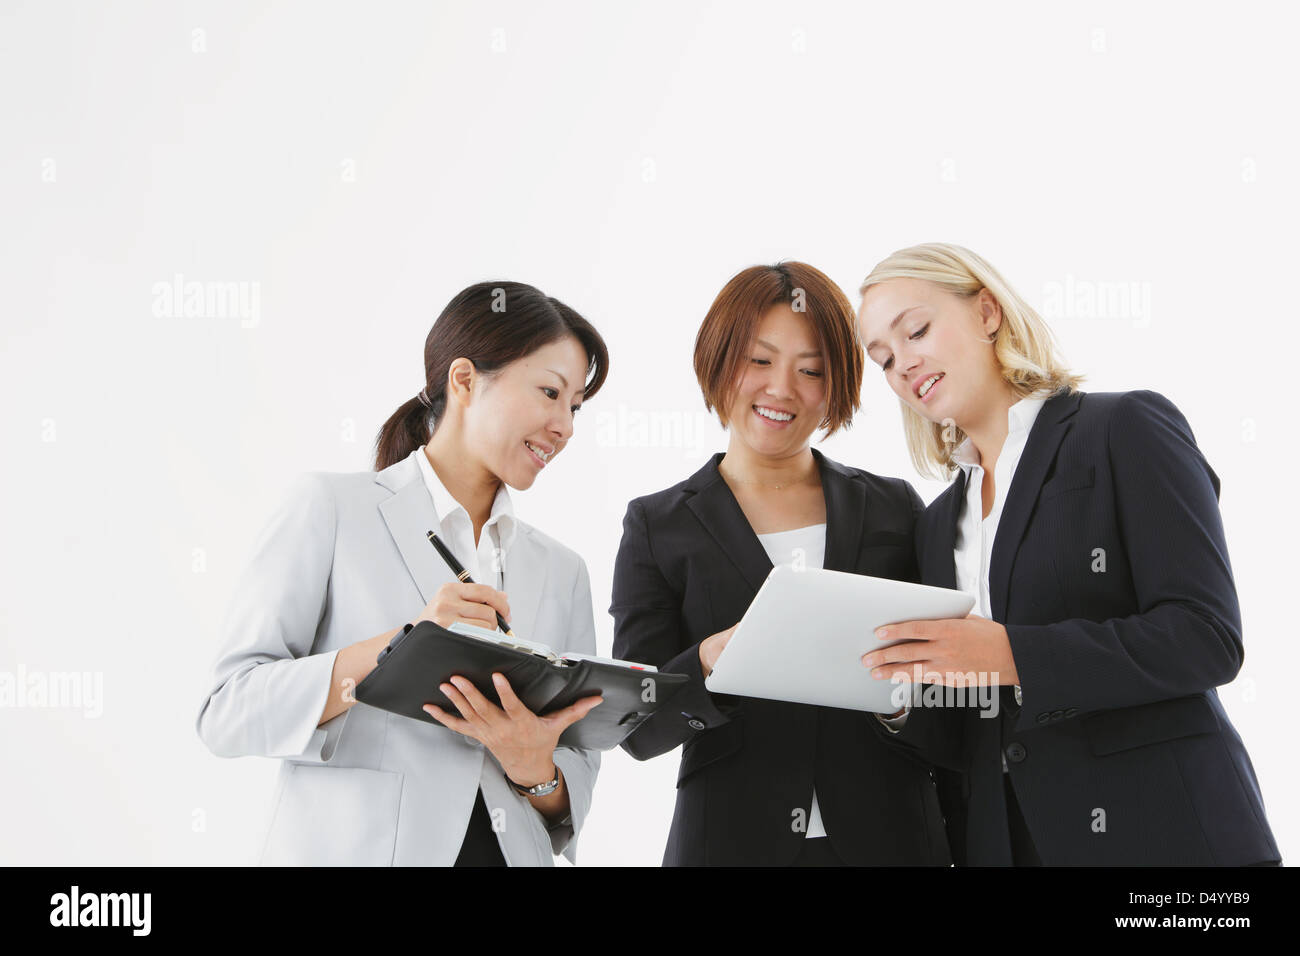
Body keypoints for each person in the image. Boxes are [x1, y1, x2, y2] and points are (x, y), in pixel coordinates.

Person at [856, 242, 1281, 866]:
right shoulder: (938, 523)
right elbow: (971, 727)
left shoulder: (1123, 428)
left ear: (987, 313)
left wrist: (1013, 654)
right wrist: (895, 702)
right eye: (884, 359)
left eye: (916, 330)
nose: (903, 366)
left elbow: (1206, 636)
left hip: (1166, 840)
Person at [196, 281, 609, 866]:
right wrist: (401, 646)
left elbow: (579, 777)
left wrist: (534, 768)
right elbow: (227, 711)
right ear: (463, 380)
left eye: (574, 407)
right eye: (550, 392)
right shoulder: (333, 509)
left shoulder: (563, 571)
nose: (564, 426)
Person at [611, 261, 951, 866]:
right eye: (759, 361)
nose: (781, 389)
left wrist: (901, 702)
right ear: (717, 362)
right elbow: (637, 727)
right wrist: (712, 661)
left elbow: (952, 687)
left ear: (838, 383)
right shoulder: (656, 525)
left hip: (891, 838)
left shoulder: (893, 506)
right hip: (730, 845)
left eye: (812, 370)